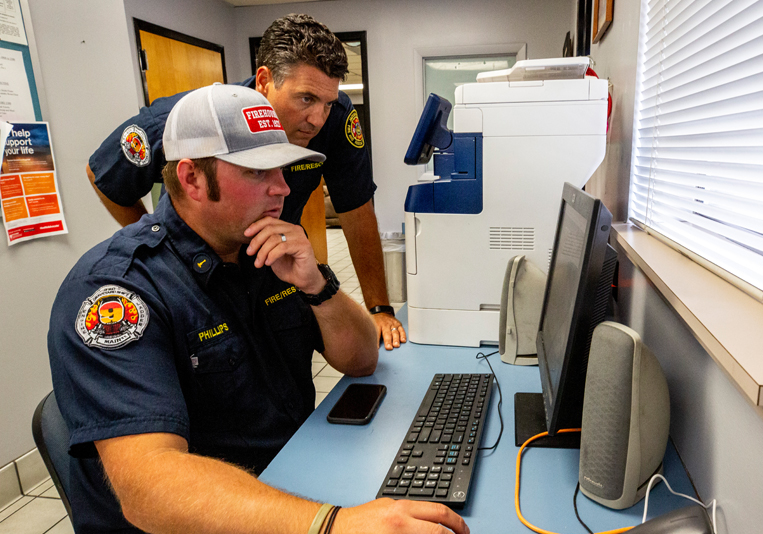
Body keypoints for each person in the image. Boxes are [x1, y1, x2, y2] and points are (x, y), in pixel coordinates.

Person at [49, 85, 468, 534]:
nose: (283, 189)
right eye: (256, 172)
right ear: (191, 178)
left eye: (284, 170)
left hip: (285, 486)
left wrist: (316, 286)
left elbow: (363, 360)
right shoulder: (117, 290)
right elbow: (150, 488)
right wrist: (331, 526)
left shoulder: (264, 247)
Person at [87, 13, 406, 350]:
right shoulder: (193, 119)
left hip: (270, 264)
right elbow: (104, 173)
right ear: (264, 80)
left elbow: (356, 208)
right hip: (196, 276)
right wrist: (163, 251)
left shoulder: (335, 118)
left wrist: (379, 308)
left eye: (326, 103)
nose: (317, 119)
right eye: (306, 99)